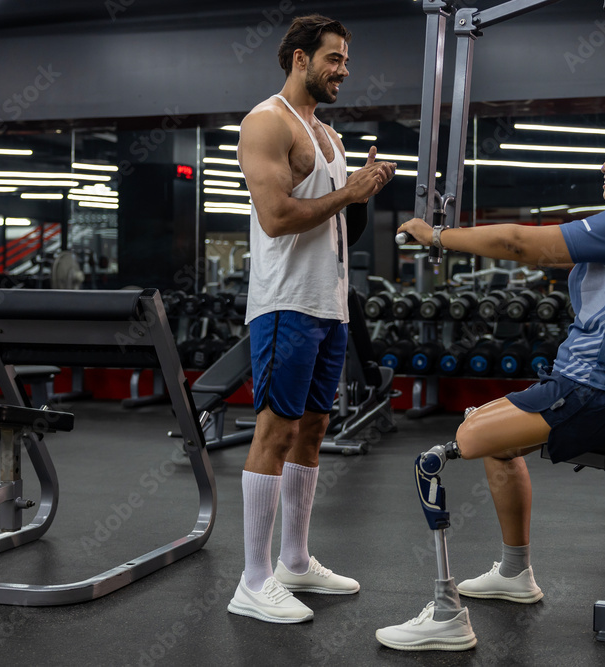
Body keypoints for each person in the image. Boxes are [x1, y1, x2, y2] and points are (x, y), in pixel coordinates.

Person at [375, 114, 605, 650]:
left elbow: (525, 245)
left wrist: (438, 235)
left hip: (594, 391)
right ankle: (515, 572)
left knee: (460, 444)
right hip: (589, 383)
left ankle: (447, 615)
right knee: (493, 441)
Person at [228, 14, 396, 624]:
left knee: (315, 428)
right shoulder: (266, 122)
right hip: (285, 302)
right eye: (334, 59)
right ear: (301, 59)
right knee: (275, 429)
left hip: (329, 301)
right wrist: (348, 194)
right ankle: (253, 579)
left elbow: (330, 219)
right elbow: (275, 218)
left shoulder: (327, 133)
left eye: (345, 59)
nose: (343, 70)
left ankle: (295, 561)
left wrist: (360, 188)